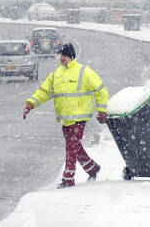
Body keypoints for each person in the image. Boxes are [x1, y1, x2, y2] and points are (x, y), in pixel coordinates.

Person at [23, 42, 109, 188]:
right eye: (61, 55)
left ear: (72, 56)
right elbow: (44, 92)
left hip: (79, 118)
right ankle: (92, 168)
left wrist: (102, 110)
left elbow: (100, 90)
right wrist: (31, 104)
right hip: (65, 119)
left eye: (65, 55)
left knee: (71, 147)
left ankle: (68, 178)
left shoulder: (83, 71)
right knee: (75, 146)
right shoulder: (56, 74)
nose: (62, 58)